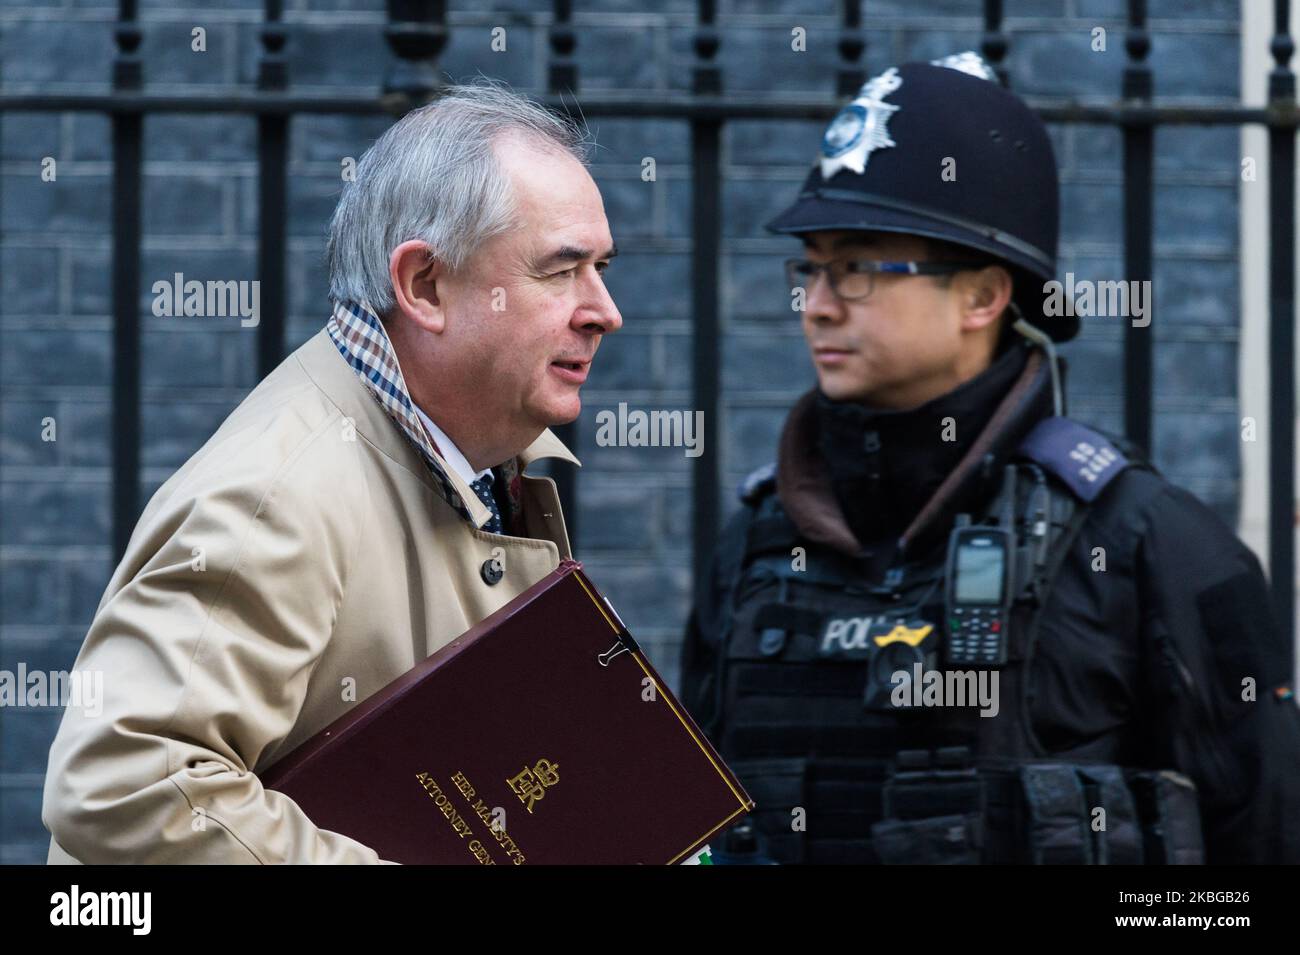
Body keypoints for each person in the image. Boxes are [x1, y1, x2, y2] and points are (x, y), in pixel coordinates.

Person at [680, 52, 1300, 865]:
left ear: (983, 295)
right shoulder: (757, 545)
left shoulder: (1149, 545)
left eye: (862, 267)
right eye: (814, 266)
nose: (819, 304)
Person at [42, 82, 622, 863]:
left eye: (601, 267)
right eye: (563, 271)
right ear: (424, 286)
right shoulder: (277, 493)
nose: (605, 308)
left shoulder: (476, 453)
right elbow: (125, 784)